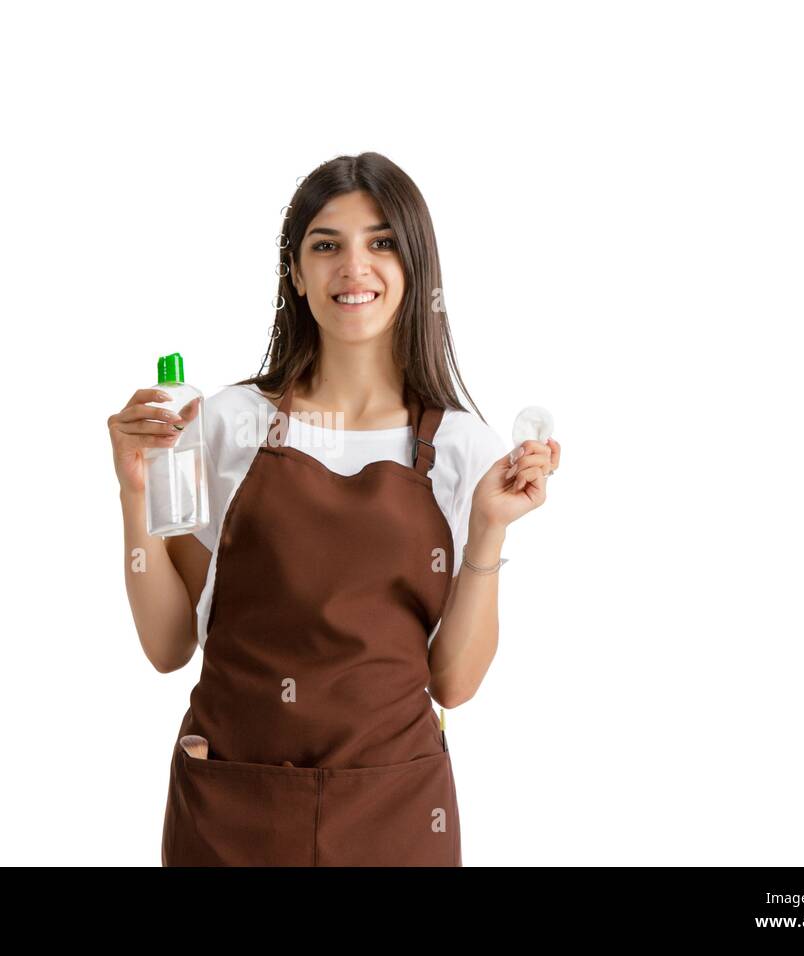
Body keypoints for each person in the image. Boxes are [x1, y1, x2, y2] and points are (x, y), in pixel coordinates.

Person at [108, 152, 561, 866]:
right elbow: (168, 647)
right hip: (233, 810)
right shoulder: (227, 422)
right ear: (295, 272)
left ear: (416, 268)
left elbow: (455, 683)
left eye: (382, 243)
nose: (355, 267)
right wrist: (135, 492)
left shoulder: (466, 447)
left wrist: (490, 529)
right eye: (327, 245)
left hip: (395, 813)